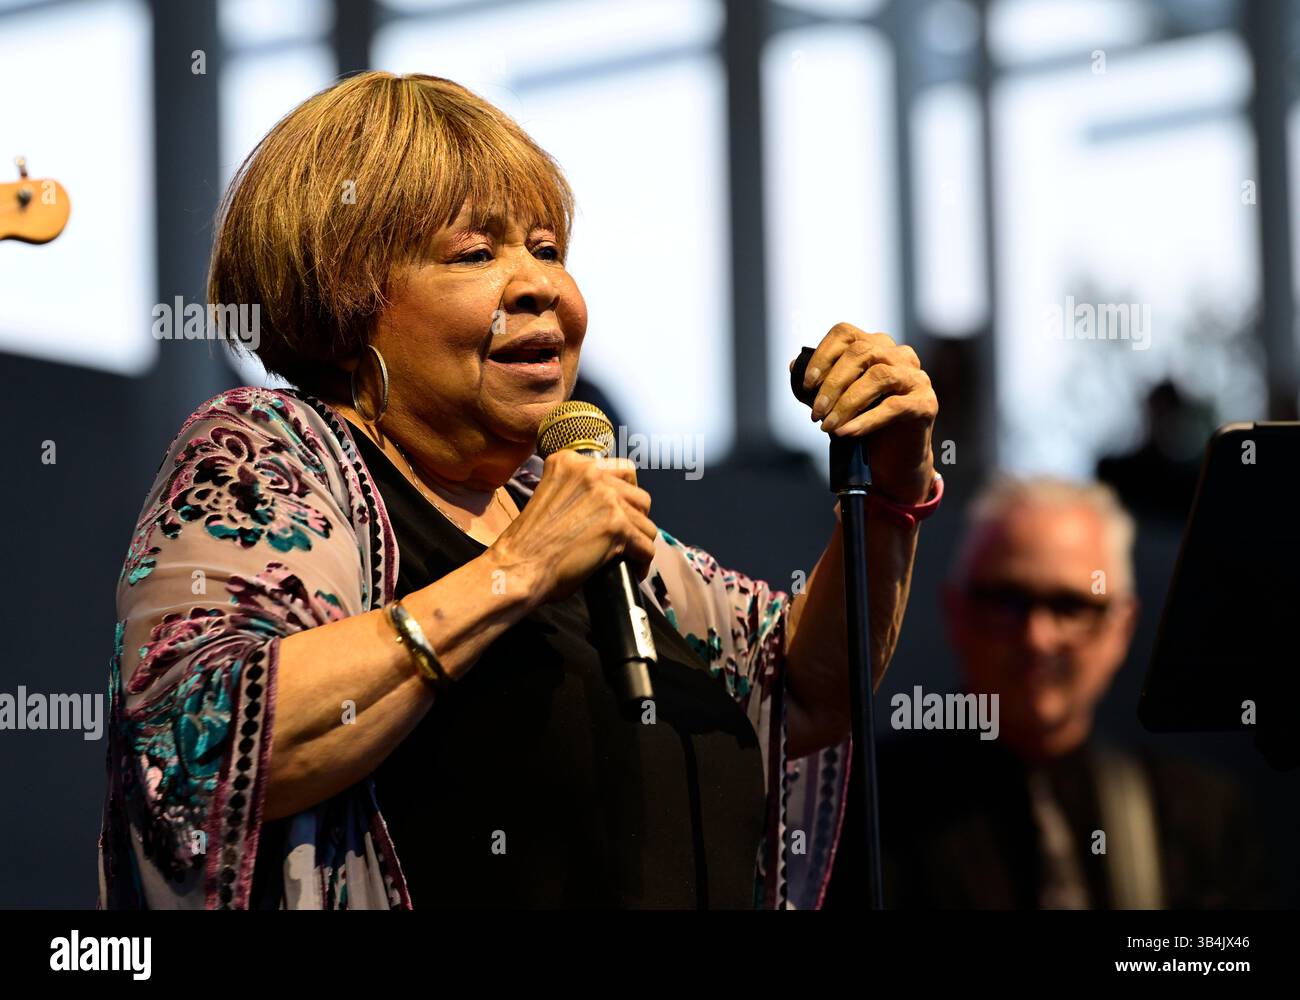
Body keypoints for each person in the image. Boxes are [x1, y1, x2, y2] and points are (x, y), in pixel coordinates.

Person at [96, 72, 941, 909]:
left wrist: (898, 486)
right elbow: (194, 752)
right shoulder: (270, 452)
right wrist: (519, 569)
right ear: (348, 300)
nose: (540, 285)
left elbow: (803, 692)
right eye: (475, 253)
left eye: (546, 249)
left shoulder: (572, 512)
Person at [828, 475, 1264, 909]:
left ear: (1123, 627)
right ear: (956, 613)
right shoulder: (863, 801)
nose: (1037, 638)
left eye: (1070, 606)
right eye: (1008, 600)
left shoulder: (1200, 815)